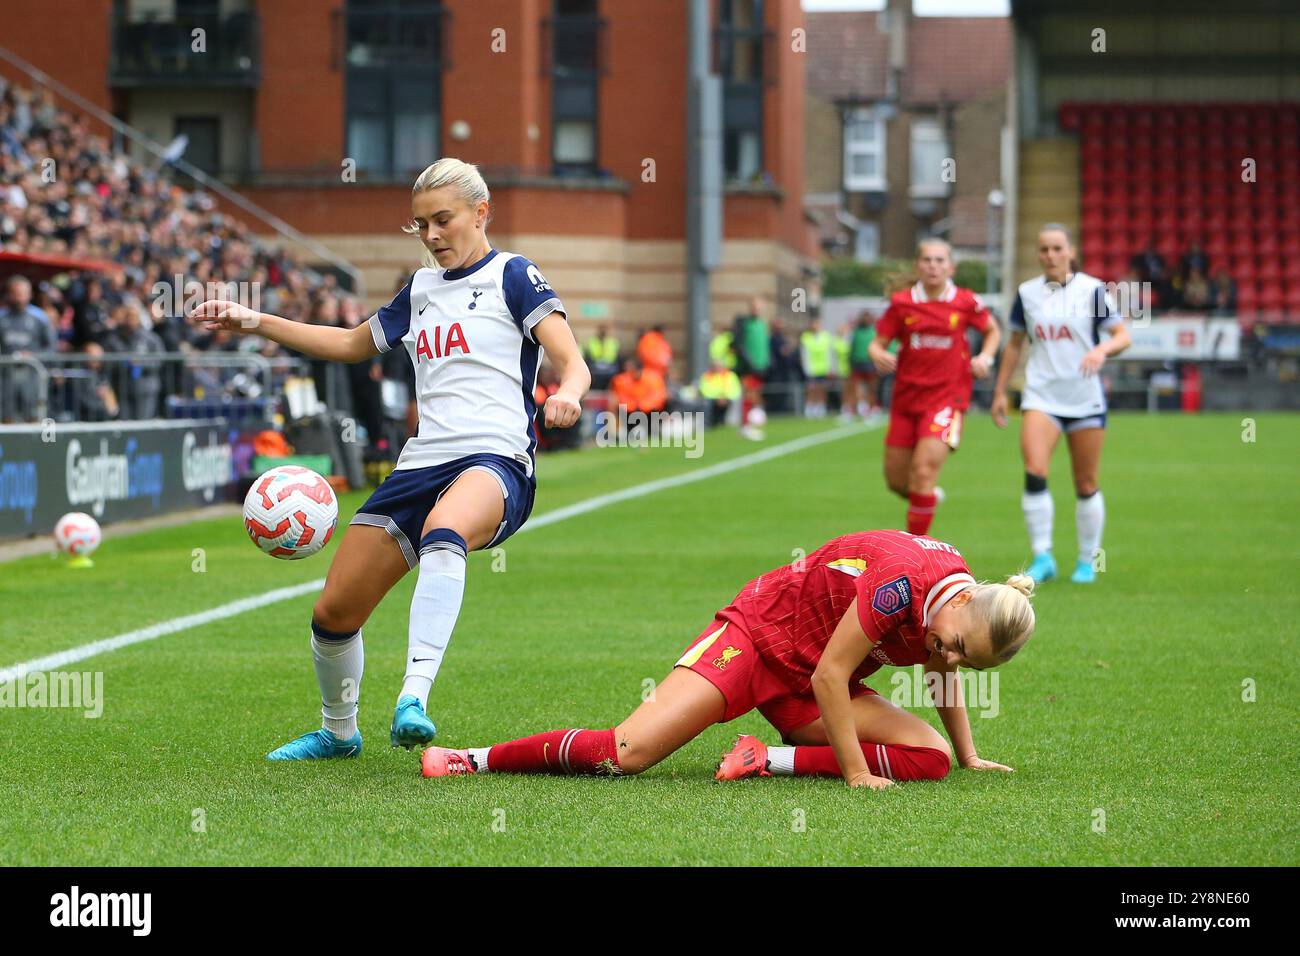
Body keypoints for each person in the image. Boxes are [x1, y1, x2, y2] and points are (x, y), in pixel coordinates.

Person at [189, 157, 591, 760]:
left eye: (443, 220)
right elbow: (352, 344)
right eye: (420, 224)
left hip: (496, 460)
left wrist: (567, 394)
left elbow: (572, 359)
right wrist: (255, 321)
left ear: (482, 213)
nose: (431, 236)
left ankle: (414, 697)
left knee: (444, 531)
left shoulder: (514, 275)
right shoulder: (421, 289)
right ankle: (339, 733)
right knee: (333, 612)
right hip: (419, 465)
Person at [420, 529, 1034, 788]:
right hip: (758, 639)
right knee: (624, 755)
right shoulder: (903, 582)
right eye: (954, 643)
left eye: (965, 661)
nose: (947, 657)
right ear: (965, 602)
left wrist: (970, 756)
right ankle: (469, 760)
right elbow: (832, 675)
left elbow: (938, 675)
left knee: (930, 758)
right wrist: (855, 774)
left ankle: (767, 757)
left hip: (809, 678)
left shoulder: (953, 607)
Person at [991, 223, 1132, 585]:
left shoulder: (1093, 291)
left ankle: (1087, 561)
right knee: (1035, 469)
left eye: (1057, 248)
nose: (1050, 256)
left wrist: (1101, 349)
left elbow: (1122, 336)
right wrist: (999, 392)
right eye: (1044, 249)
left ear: (1070, 251)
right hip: (1041, 395)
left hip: (1084, 398)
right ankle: (1043, 556)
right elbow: (1014, 344)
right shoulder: (1027, 293)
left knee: (1085, 483)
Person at [869, 240, 1000, 537]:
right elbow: (877, 343)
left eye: (940, 260)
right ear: (918, 265)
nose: (933, 265)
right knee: (897, 481)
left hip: (945, 400)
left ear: (951, 267)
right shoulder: (902, 303)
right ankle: (927, 498)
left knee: (924, 472)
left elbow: (992, 330)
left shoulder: (965, 301)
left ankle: (918, 552)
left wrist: (986, 357)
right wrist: (877, 354)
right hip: (905, 401)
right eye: (927, 260)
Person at [732, 297, 771, 440]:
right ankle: (745, 426)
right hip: (748, 368)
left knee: (756, 395)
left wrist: (766, 363)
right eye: (755, 307)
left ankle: (751, 424)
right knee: (748, 396)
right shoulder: (744, 323)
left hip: (760, 367)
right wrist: (750, 363)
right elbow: (739, 345)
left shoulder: (762, 324)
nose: (757, 310)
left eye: (760, 307)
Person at [841, 312, 879, 421]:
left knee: (872, 389)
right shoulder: (855, 332)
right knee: (855, 388)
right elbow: (851, 348)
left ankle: (872, 409)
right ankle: (855, 409)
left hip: (870, 364)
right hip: (857, 364)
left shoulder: (874, 332)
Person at [799, 319, 834, 418]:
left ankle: (821, 407)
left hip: (823, 368)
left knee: (821, 389)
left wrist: (830, 367)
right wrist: (805, 367)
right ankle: (810, 408)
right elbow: (803, 353)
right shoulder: (806, 337)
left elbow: (829, 353)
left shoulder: (826, 336)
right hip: (811, 368)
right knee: (811, 389)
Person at [698, 358, 741, 427]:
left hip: (727, 399)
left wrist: (724, 397)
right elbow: (704, 390)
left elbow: (735, 390)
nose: (717, 368)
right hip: (712, 400)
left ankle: (729, 425)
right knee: (706, 404)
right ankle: (707, 426)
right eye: (715, 366)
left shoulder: (730, 376)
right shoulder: (707, 376)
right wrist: (718, 397)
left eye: (719, 366)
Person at [583, 323, 620, 389]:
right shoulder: (592, 341)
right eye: (601, 331)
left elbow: (614, 356)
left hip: (609, 365)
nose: (603, 332)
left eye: (604, 331)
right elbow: (592, 355)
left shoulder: (612, 342)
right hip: (596, 364)